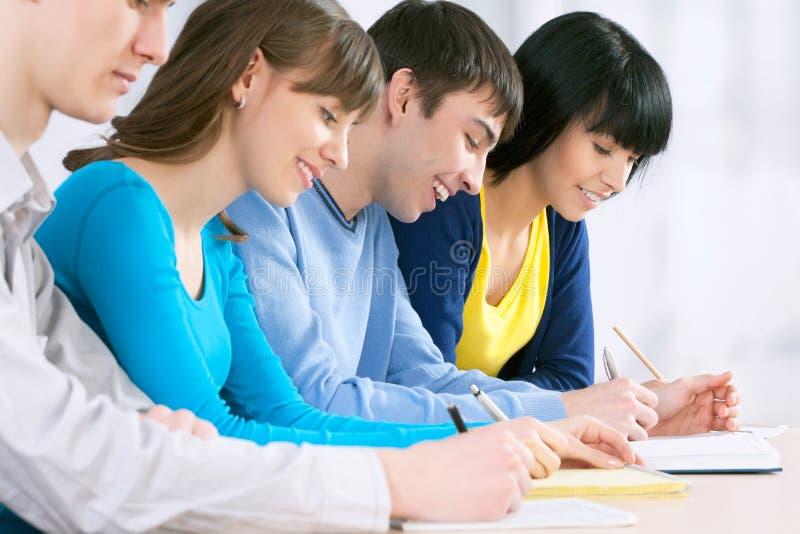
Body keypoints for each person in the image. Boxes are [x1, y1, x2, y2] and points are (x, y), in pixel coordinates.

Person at [0, 0, 605, 531]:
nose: (340, 151)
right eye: (326, 115)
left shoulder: (219, 233)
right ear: (248, 76)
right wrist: (435, 456)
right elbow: (201, 432)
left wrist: (481, 438)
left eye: (347, 123)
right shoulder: (126, 205)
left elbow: (271, 413)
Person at [228, 1, 741, 440]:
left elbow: (425, 377)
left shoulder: (376, 224)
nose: (473, 180)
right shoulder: (266, 200)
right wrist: (562, 412)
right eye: (472, 142)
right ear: (403, 96)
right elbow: (313, 404)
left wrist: (605, 411)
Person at [390, 11, 742, 439]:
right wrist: (568, 405)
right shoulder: (445, 198)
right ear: (547, 110)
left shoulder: (562, 226)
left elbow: (572, 379)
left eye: (631, 159)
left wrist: (632, 405)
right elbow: (427, 390)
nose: (618, 181)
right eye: (602, 147)